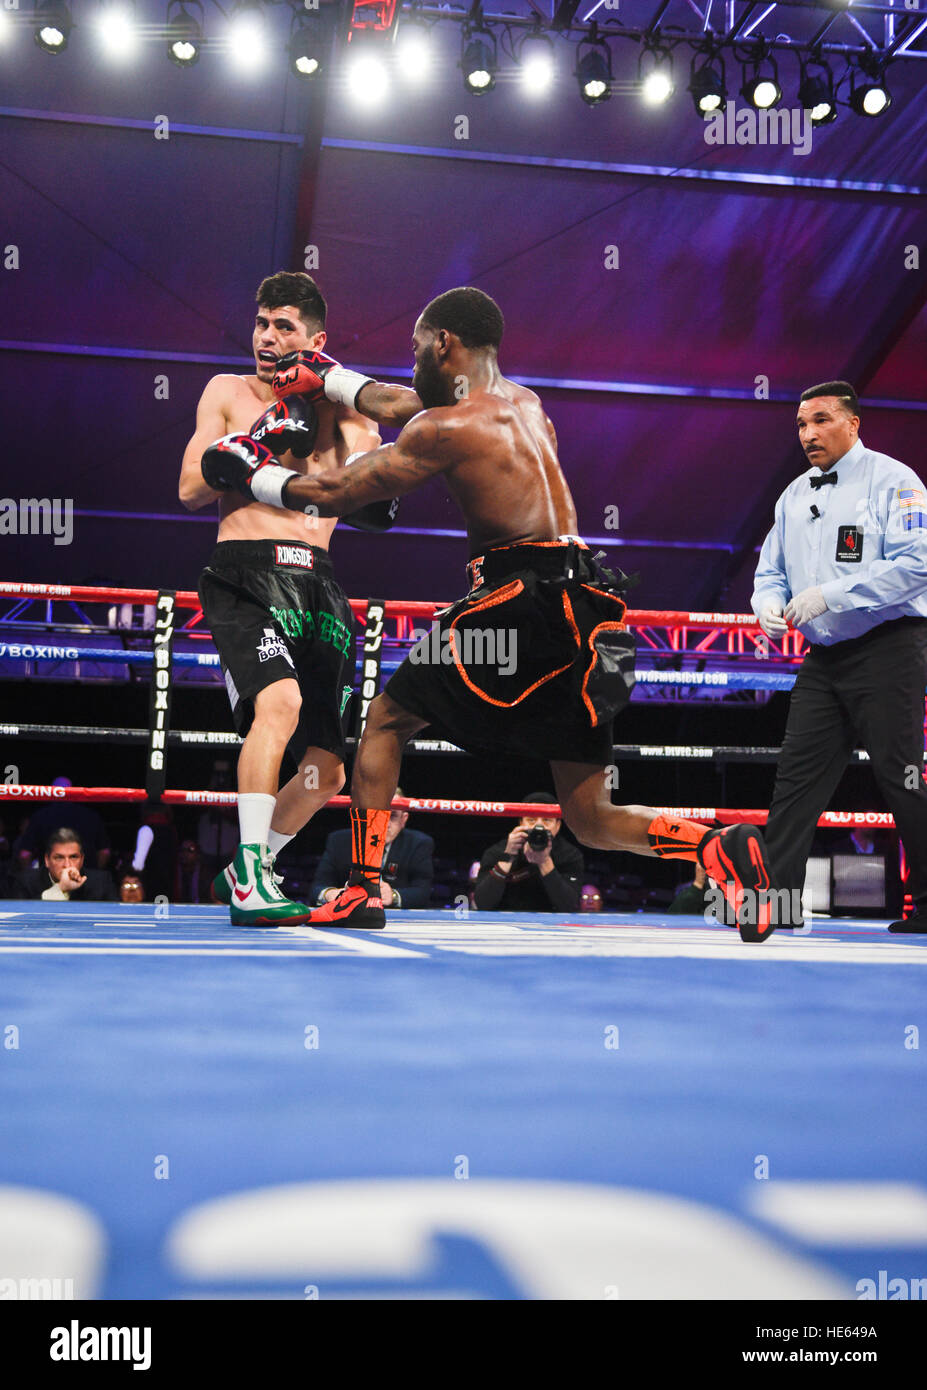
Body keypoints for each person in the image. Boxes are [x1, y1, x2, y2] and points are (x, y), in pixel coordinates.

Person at [202, 286, 778, 942]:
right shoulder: (526, 405)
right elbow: (397, 401)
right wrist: (333, 379)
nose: (412, 361)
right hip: (592, 615)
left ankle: (363, 887)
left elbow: (338, 490)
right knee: (588, 814)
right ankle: (715, 849)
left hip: (516, 605)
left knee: (385, 722)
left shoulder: (449, 427)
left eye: (417, 348)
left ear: (443, 344)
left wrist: (251, 476)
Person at [180, 270, 421, 926]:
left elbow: (378, 498)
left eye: (284, 325)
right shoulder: (227, 392)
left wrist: (337, 414)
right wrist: (260, 436)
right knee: (278, 704)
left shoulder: (345, 409)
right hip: (245, 571)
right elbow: (190, 488)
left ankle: (253, 863)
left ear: (314, 340)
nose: (268, 336)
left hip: (317, 583)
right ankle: (253, 877)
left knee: (326, 770)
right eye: (261, 322)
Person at [752, 381, 927, 933]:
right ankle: (779, 903)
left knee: (902, 777)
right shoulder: (792, 494)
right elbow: (770, 571)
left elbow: (919, 561)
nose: (809, 434)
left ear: (853, 423)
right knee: (796, 778)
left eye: (821, 420)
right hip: (824, 658)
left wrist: (833, 594)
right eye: (802, 424)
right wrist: (765, 601)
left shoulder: (894, 481)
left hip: (889, 647)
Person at [312, 791, 434, 909]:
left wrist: (393, 896)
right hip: (349, 913)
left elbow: (423, 892)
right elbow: (317, 887)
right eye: (377, 814)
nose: (384, 823)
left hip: (396, 919)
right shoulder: (339, 841)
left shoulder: (418, 843)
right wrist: (329, 894)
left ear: (403, 820)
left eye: (393, 816)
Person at [472, 792, 583, 913]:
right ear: (521, 823)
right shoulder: (498, 851)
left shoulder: (570, 855)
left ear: (558, 825)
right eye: (531, 820)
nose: (539, 826)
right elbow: (483, 904)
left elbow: (569, 906)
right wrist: (507, 857)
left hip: (552, 925)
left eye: (547, 820)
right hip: (506, 923)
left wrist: (545, 862)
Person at [16, 829, 117, 902]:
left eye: (73, 857)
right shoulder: (26, 882)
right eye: (59, 858)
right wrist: (60, 889)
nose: (67, 865)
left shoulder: (101, 882)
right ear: (47, 860)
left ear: (82, 859)